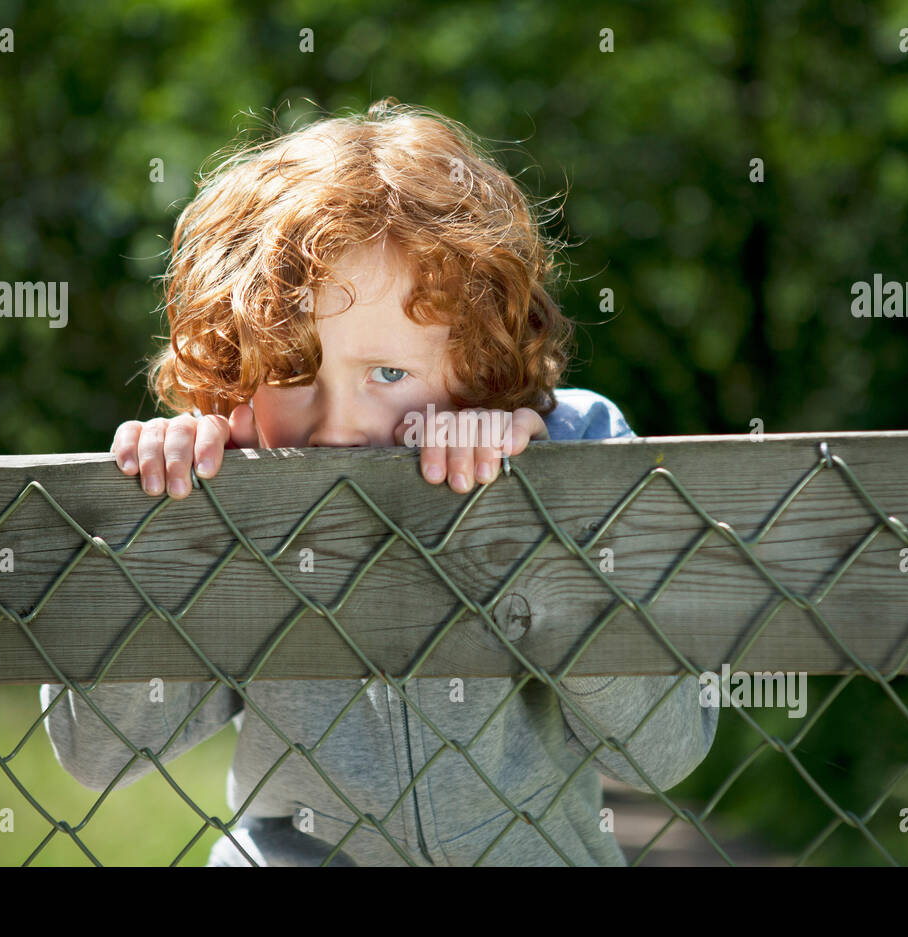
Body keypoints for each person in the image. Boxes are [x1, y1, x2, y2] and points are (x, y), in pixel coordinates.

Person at [41, 98, 717, 865]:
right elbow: (99, 754)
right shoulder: (232, 472)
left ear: (481, 364)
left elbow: (662, 752)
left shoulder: (577, 440)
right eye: (293, 373)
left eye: (390, 373)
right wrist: (165, 528)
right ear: (235, 377)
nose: (338, 425)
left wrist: (527, 513)